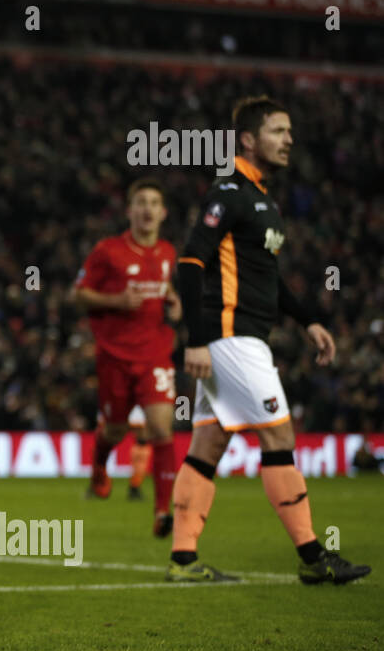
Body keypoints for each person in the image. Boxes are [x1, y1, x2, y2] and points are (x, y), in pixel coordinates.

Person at [169, 96, 370, 584]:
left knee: (208, 444)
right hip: (233, 337)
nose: (289, 140)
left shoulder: (263, 201)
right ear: (249, 139)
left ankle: (183, 562)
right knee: (279, 436)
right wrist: (196, 339)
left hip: (237, 337)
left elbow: (269, 280)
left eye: (289, 132)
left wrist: (307, 321)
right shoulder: (231, 192)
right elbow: (191, 261)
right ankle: (313, 558)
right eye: (279, 131)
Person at [72, 178, 182, 536]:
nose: (148, 209)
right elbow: (79, 295)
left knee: (162, 428)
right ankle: (100, 467)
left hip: (156, 354)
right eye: (141, 203)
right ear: (130, 210)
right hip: (115, 357)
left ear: (163, 213)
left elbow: (161, 284)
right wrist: (116, 302)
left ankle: (163, 512)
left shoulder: (167, 252)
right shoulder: (108, 251)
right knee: (116, 428)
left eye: (154, 203)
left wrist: (173, 298)